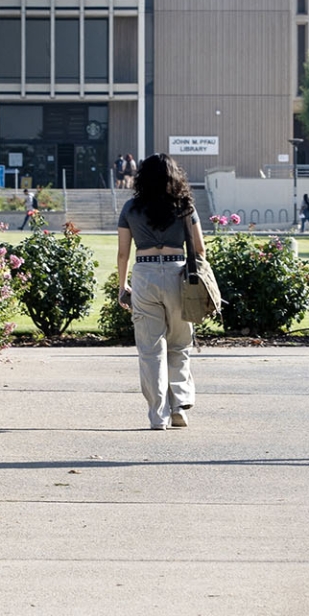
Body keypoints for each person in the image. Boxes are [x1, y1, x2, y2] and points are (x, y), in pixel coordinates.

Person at [114, 154, 205, 430]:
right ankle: (179, 405)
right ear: (174, 177)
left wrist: (122, 286)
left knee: (150, 349)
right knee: (179, 343)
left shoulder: (131, 208)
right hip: (179, 275)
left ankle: (158, 414)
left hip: (145, 273)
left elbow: (122, 253)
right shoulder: (185, 207)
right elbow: (199, 249)